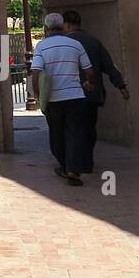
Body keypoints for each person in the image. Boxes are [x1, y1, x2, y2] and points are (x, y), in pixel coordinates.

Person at [29, 12, 97, 185]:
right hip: (75, 96)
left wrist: (38, 96)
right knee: (76, 134)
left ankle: (66, 166)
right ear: (63, 26)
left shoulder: (41, 47)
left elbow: (35, 73)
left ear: (46, 28)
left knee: (57, 135)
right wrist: (90, 83)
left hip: (53, 100)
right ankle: (73, 169)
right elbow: (89, 71)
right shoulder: (76, 45)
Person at [63, 9, 129, 165]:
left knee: (73, 129)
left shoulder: (66, 44)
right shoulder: (93, 41)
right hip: (92, 93)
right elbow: (109, 65)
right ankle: (87, 159)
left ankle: (75, 163)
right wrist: (121, 86)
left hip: (71, 94)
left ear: (66, 25)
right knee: (89, 127)